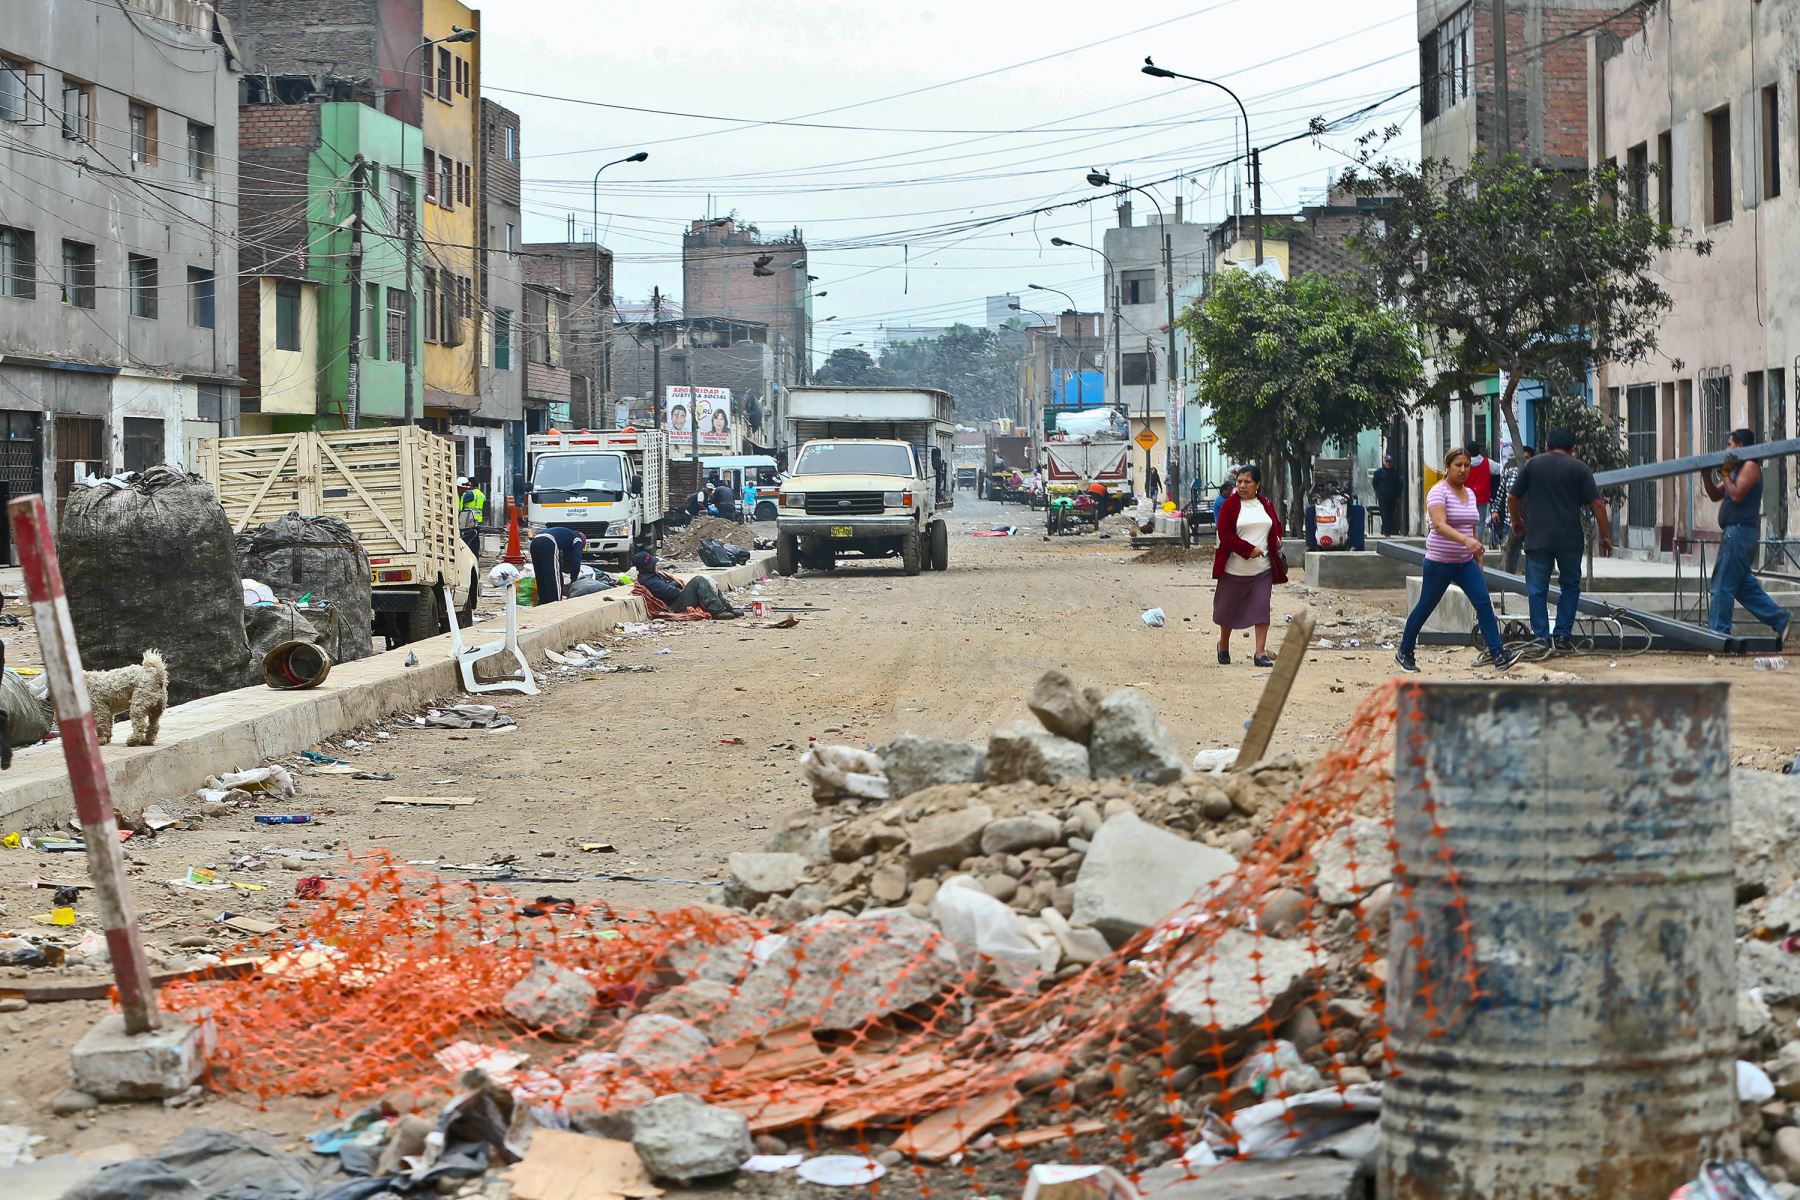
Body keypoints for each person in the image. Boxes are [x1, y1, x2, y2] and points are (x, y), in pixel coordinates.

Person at [1395, 449, 1516, 674]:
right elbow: (1439, 525)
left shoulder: (1469, 494)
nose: (1463, 470)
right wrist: (1466, 542)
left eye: (1467, 465)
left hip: (1465, 563)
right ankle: (1405, 651)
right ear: (1448, 467)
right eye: (1458, 465)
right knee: (1425, 607)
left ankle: (1498, 654)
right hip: (1439, 563)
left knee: (1483, 604)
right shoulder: (1438, 492)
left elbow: (1472, 526)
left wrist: (1477, 554)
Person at [1508, 427, 1611, 655]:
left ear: (1546, 446)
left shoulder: (1532, 465)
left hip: (1537, 538)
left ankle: (1541, 639)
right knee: (1570, 587)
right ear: (1573, 449)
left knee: (1537, 590)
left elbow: (1512, 496)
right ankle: (1563, 636)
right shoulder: (1580, 468)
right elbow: (1598, 505)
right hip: (1569, 539)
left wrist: (1516, 521)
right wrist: (1605, 536)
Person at [1702, 429, 1792, 642]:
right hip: (1736, 532)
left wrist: (1724, 472)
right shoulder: (1734, 468)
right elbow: (1716, 494)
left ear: (1741, 446)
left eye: (1730, 444)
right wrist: (1706, 475)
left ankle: (1718, 634)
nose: (1728, 449)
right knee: (1742, 586)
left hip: (1740, 532)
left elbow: (1736, 494)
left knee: (1722, 583)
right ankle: (1781, 620)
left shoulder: (1750, 466)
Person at [1211, 465, 1286, 667]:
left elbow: (1275, 525)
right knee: (1227, 609)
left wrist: (1277, 538)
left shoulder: (1265, 504)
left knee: (1262, 608)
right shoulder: (1230, 505)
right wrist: (1247, 549)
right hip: (1233, 569)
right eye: (1240, 481)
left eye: (1247, 482)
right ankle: (1223, 645)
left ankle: (1260, 653)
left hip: (1262, 569)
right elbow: (1225, 534)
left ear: (1257, 485)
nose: (1242, 485)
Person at [632, 550, 742, 618]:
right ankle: (717, 611)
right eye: (652, 564)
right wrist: (675, 584)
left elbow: (669, 587)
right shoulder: (650, 581)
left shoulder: (652, 575)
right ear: (644, 568)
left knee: (706, 580)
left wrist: (673, 584)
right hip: (676, 605)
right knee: (698, 580)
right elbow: (672, 593)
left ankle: (727, 607)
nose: (654, 565)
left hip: (677, 599)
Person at [1490, 446, 1534, 573]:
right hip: (1511, 522)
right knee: (1510, 553)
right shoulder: (1510, 473)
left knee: (1532, 554)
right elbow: (1500, 495)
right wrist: (1495, 511)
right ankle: (1509, 579)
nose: (1523, 461)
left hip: (1532, 522)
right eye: (1522, 458)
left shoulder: (1537, 476)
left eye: (1527, 458)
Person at [528, 525, 587, 605]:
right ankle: (556, 604)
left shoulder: (566, 535)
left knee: (541, 575)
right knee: (554, 577)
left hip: (535, 542)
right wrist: (573, 580)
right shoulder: (578, 540)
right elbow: (576, 558)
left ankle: (543, 603)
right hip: (549, 542)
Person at [1372, 454, 1403, 536]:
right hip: (1382, 498)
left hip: (1392, 498)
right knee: (1384, 513)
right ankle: (1387, 531)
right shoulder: (1379, 472)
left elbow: (1399, 485)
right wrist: (1379, 492)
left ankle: (1385, 529)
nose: (1388, 463)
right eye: (1387, 462)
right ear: (1384, 462)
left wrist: (1398, 496)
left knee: (1390, 514)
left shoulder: (1395, 473)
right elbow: (1375, 483)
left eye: (1390, 462)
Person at [457, 476, 485, 558]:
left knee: (467, 540)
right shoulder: (481, 494)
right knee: (475, 539)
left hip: (468, 520)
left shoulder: (470, 494)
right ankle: (475, 556)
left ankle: (467, 556)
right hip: (477, 520)